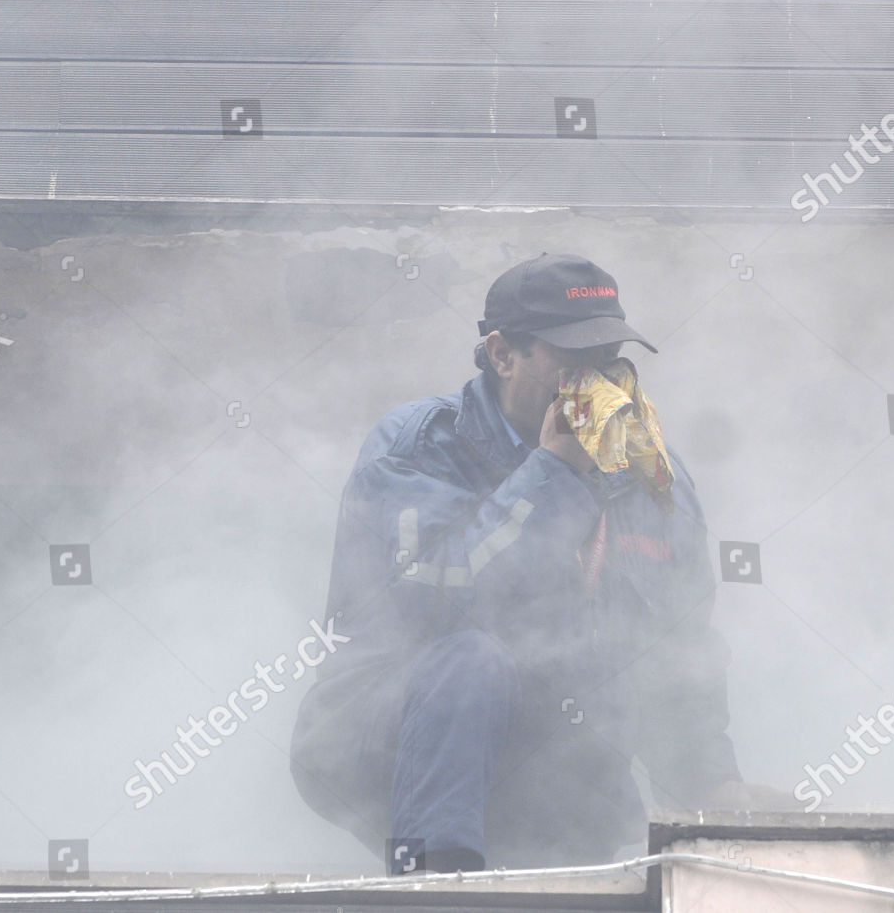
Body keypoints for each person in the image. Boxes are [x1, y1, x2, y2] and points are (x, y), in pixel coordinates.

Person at [290, 252, 785, 875]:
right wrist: (553, 473)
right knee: (474, 658)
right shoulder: (417, 446)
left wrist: (713, 783)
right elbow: (443, 598)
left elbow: (676, 649)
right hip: (381, 734)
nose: (597, 381)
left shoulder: (655, 476)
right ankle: (435, 885)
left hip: (555, 765)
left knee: (592, 772)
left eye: (609, 359)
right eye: (572, 358)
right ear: (502, 355)